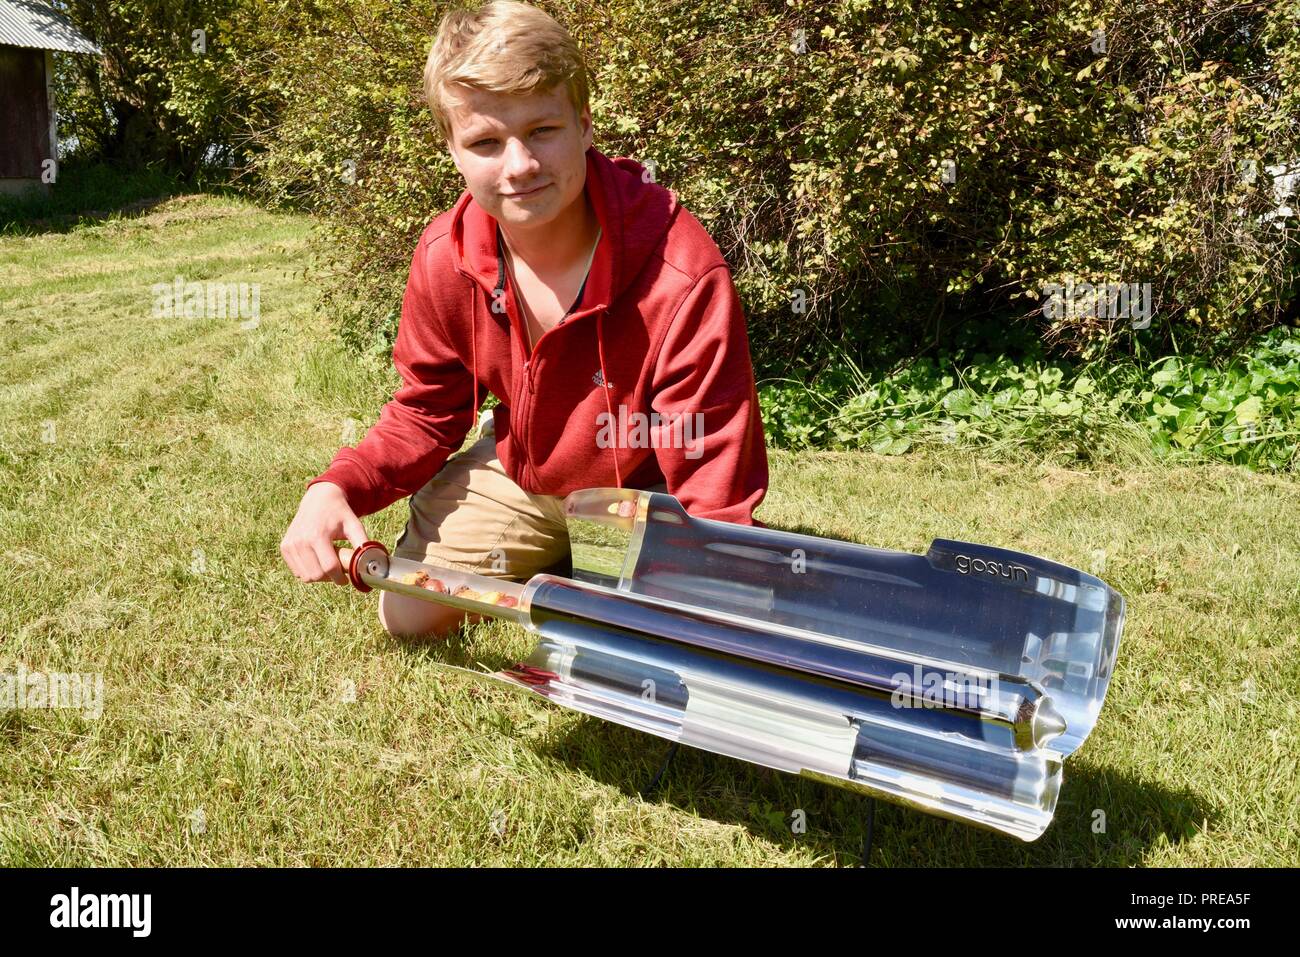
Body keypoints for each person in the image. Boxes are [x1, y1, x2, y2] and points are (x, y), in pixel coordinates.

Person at [280, 0, 768, 639]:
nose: (519, 166)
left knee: (662, 630)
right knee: (409, 613)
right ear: (452, 149)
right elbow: (427, 412)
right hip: (524, 476)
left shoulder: (678, 269)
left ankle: (603, 569)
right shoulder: (445, 257)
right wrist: (337, 486)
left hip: (645, 502)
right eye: (485, 141)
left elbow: (708, 460)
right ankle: (560, 554)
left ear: (585, 124)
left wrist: (719, 581)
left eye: (542, 130)